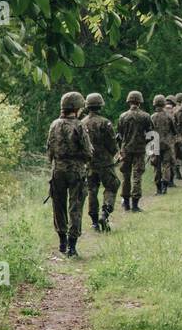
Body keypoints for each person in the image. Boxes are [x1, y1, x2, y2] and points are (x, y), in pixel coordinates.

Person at [46, 91, 92, 257]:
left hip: (57, 170)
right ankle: (72, 246)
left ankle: (62, 242)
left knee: (58, 206)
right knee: (75, 206)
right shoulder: (79, 125)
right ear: (76, 107)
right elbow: (88, 152)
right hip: (76, 170)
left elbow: (49, 149)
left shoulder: (54, 124)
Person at [81, 92, 120, 231]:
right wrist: (116, 153)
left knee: (92, 190)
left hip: (89, 163)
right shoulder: (105, 122)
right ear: (100, 105)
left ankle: (94, 222)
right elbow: (112, 144)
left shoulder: (82, 123)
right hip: (105, 162)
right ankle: (105, 213)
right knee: (112, 186)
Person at [116, 90, 154, 211]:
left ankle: (126, 204)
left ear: (129, 101)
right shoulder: (146, 116)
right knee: (137, 176)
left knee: (125, 177)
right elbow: (151, 134)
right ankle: (135, 205)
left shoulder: (123, 116)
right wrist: (146, 145)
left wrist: (120, 149)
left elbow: (119, 135)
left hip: (125, 149)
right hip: (139, 150)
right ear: (140, 102)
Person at [150, 93, 178, 191]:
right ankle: (165, 185)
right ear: (163, 104)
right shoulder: (169, 116)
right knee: (166, 164)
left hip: (155, 144)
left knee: (156, 166)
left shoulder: (152, 117)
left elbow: (149, 133)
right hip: (167, 144)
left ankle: (158, 188)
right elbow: (174, 131)